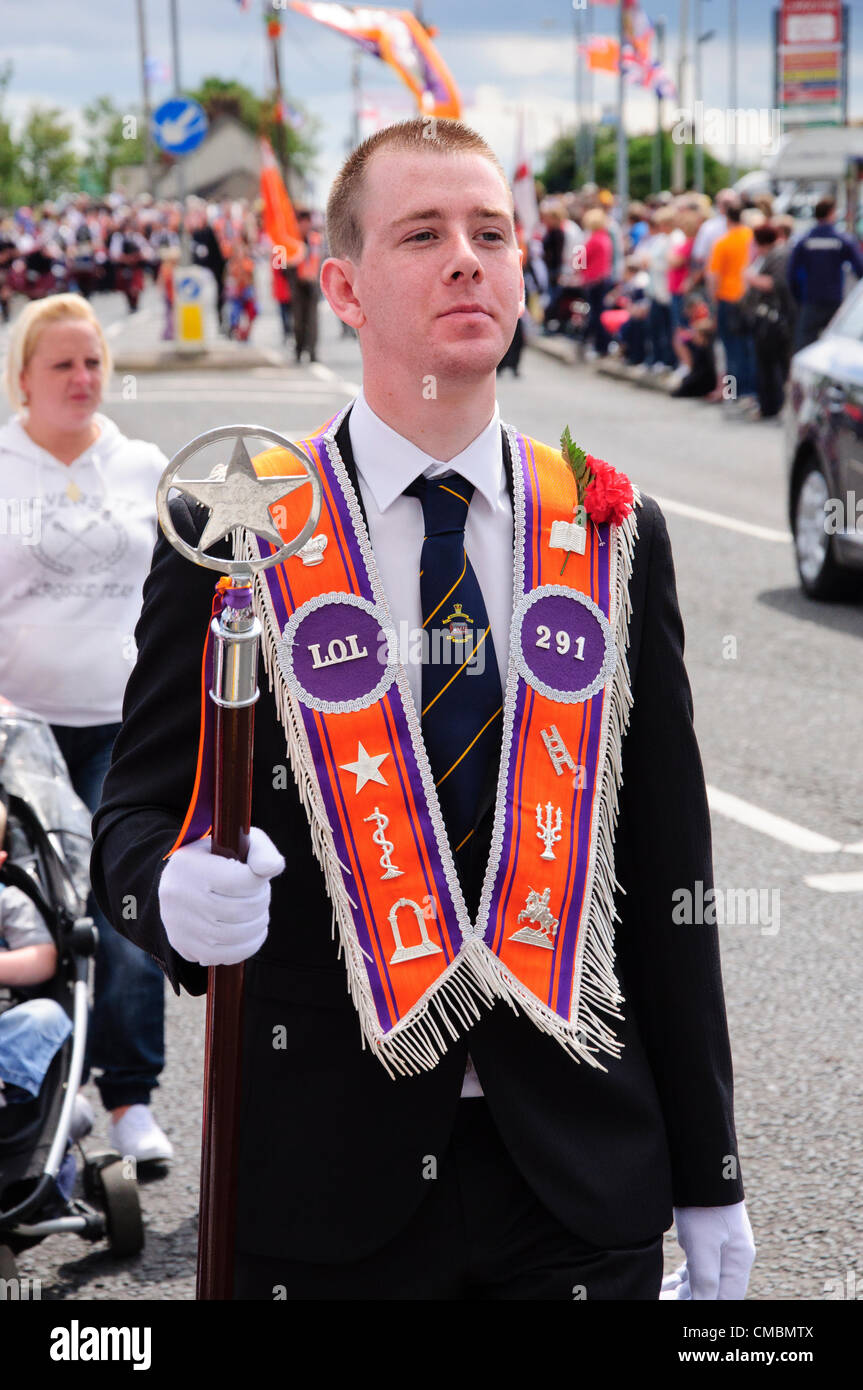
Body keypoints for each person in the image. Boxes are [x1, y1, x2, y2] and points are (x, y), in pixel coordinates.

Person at [91, 118, 754, 1301]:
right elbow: (130, 819)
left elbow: (667, 869)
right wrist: (168, 896)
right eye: (422, 233)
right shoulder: (235, 525)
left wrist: (709, 1172)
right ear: (341, 286)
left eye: (490, 233)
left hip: (576, 1173)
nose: (466, 258)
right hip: (318, 1181)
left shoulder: (608, 530)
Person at [0, 294, 173, 1164]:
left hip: (122, 730)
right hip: (13, 738)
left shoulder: (143, 465)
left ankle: (129, 1102)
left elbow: (191, 595)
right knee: (27, 917)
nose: (81, 378)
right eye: (60, 364)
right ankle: (34, 1091)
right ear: (21, 376)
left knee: (120, 910)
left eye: (93, 362)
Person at [787, 195, 863, 350]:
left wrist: (799, 298)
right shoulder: (842, 240)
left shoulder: (804, 240)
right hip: (835, 301)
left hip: (811, 300)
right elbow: (860, 269)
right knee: (836, 348)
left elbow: (792, 274)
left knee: (804, 347)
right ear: (831, 213)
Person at [741, 223, 795, 420]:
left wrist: (750, 278)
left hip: (772, 318)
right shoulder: (767, 256)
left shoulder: (778, 256)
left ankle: (770, 405)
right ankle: (764, 402)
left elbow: (775, 283)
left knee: (771, 364)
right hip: (762, 316)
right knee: (763, 362)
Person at [707, 201, 756, 405]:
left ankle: (732, 392)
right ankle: (751, 391)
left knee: (730, 348)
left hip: (728, 297)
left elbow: (713, 275)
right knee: (748, 346)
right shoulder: (751, 238)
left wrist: (713, 299)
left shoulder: (723, 242)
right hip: (749, 297)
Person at [287, 210, 322, 363]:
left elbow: (323, 258)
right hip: (297, 284)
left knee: (313, 320)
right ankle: (299, 350)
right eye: (303, 222)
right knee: (298, 320)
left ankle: (312, 351)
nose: (306, 225)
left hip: (313, 284)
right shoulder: (290, 241)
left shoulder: (316, 239)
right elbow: (279, 263)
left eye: (308, 222)